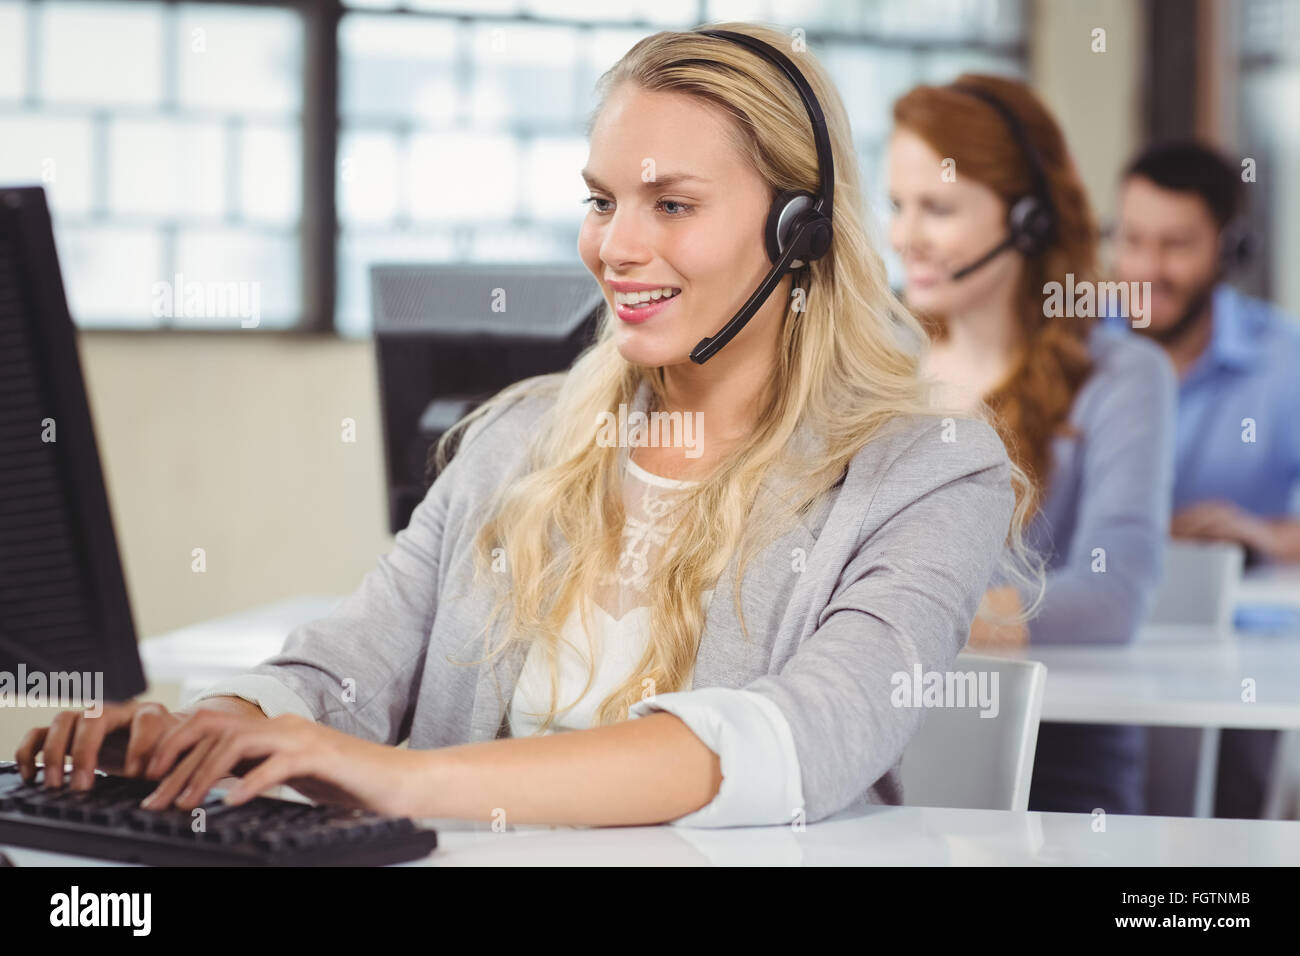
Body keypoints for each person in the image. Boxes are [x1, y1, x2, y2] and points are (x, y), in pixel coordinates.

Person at [14, 24, 1036, 828]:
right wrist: (215, 725)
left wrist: (402, 781)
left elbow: (799, 736)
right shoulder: (520, 438)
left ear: (796, 229)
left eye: (672, 205)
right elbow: (349, 666)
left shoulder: (922, 472)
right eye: (601, 200)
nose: (616, 245)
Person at [887, 75, 1177, 815]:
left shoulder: (1121, 377)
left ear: (1025, 221)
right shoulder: (876, 362)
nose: (903, 235)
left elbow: (1114, 598)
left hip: (1055, 773)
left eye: (938, 209)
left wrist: (924, 614)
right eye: (897, 206)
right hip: (874, 752)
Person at [1110, 140, 1300, 818]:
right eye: (1131, 240)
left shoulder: (1284, 360)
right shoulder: (1076, 352)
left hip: (1239, 657)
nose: (1145, 269)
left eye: (1176, 245)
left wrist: (1264, 532)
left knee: (1234, 800)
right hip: (1097, 644)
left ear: (1230, 248)